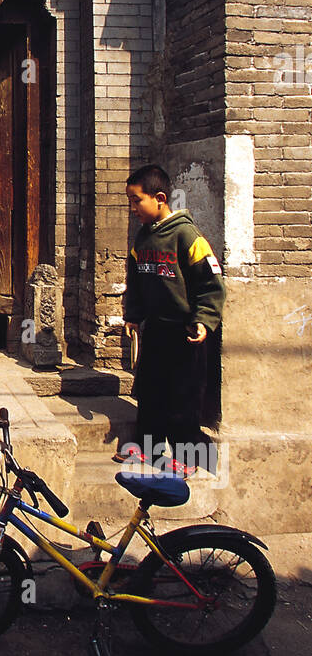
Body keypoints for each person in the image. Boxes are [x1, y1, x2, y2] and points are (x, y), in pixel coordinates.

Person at [120, 164, 225, 475]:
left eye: (137, 200)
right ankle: (149, 451)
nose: (133, 208)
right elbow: (136, 280)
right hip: (157, 328)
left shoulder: (186, 235)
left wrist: (204, 320)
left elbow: (211, 283)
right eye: (131, 201)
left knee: (184, 396)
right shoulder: (142, 238)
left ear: (160, 198)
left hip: (187, 331)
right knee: (150, 391)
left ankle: (190, 457)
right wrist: (134, 315)